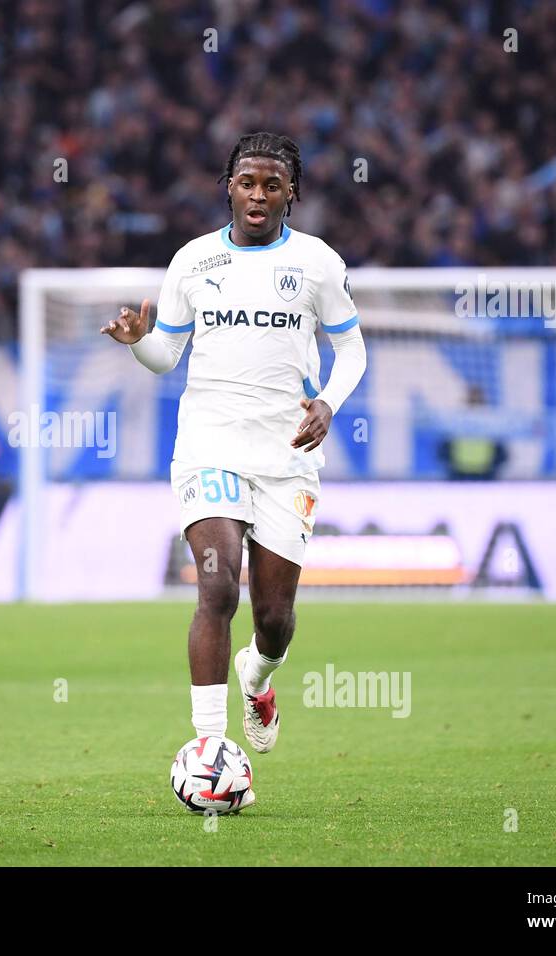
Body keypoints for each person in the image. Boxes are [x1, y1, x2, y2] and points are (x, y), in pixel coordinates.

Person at [101, 133, 367, 808]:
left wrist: (328, 405)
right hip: (209, 447)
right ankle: (209, 745)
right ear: (228, 185)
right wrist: (140, 345)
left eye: (271, 185)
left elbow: (353, 351)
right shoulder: (193, 260)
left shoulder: (317, 264)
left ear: (291, 194)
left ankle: (257, 680)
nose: (258, 195)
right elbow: (168, 355)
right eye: (247, 182)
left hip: (288, 459)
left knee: (274, 619)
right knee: (216, 587)